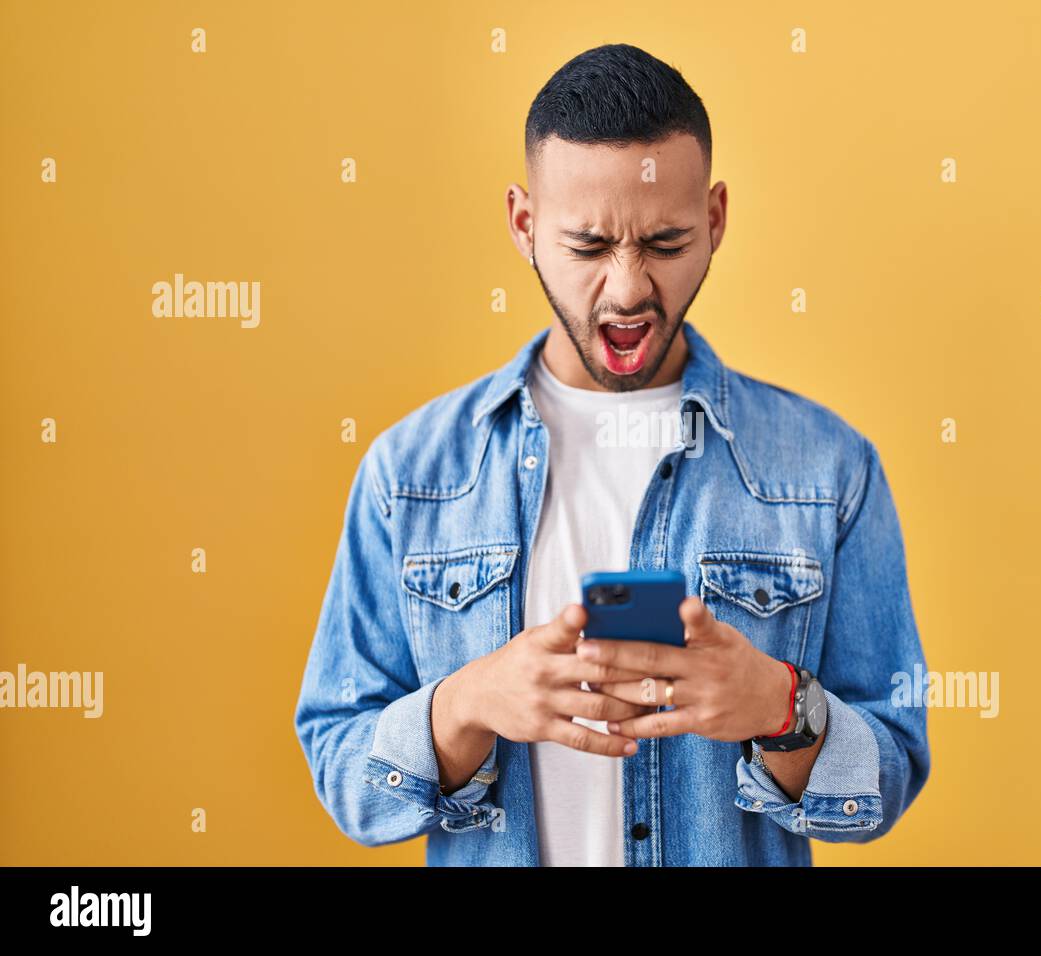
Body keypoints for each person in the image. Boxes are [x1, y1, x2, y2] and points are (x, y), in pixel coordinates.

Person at [294, 42, 930, 866]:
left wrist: (779, 707)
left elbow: (885, 780)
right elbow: (345, 776)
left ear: (715, 220)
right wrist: (466, 704)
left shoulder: (829, 470)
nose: (628, 289)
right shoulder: (411, 474)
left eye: (664, 244)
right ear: (524, 225)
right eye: (589, 247)